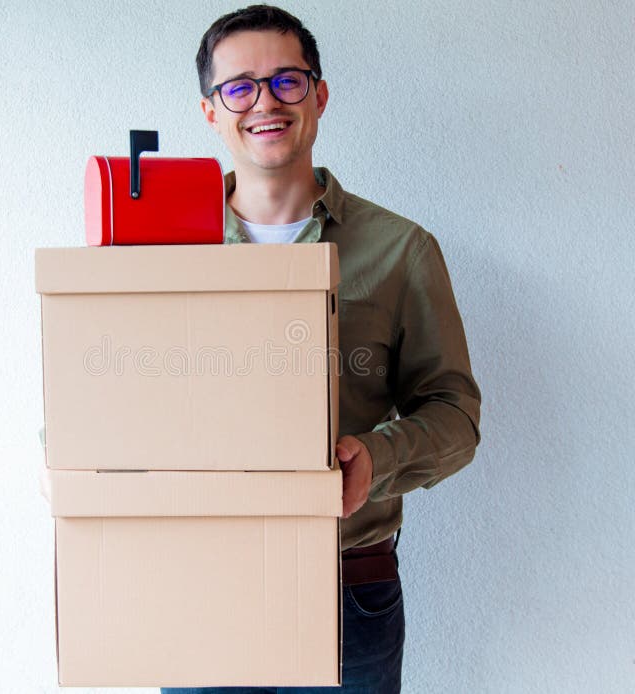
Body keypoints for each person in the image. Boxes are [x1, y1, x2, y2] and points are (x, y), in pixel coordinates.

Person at [163, 5, 481, 693]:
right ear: (210, 111)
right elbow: (100, 386)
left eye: (287, 80)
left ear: (320, 94)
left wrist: (379, 456)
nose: (266, 102)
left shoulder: (401, 250)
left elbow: (456, 417)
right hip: (200, 583)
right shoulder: (160, 248)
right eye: (240, 87)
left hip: (347, 592)